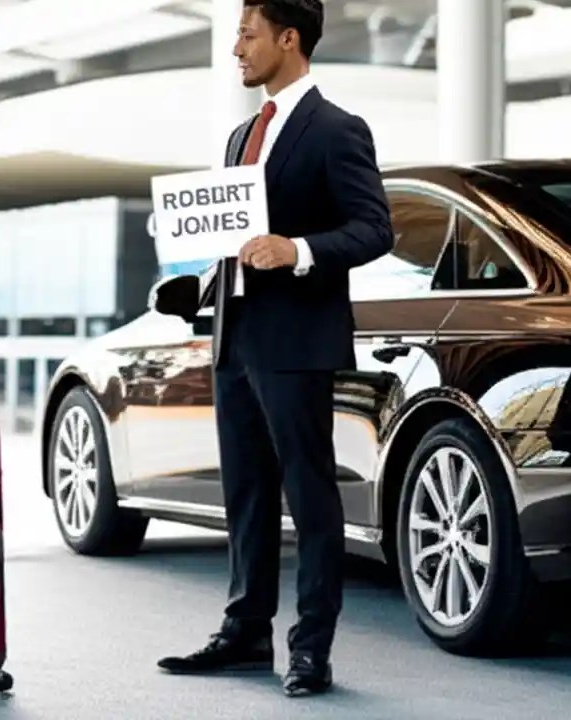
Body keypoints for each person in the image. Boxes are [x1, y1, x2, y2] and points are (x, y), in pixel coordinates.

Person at [156, 0, 394, 699]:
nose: (236, 48)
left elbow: (373, 229)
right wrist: (195, 280)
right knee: (248, 494)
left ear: (289, 39)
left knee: (309, 495)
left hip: (296, 342)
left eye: (248, 34)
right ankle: (244, 632)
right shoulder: (239, 137)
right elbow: (234, 242)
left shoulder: (336, 130)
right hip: (236, 336)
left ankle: (311, 649)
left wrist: (298, 250)